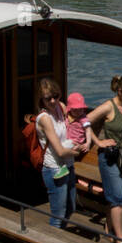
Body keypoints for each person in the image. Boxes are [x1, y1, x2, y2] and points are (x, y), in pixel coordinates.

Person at [88, 75, 122, 243]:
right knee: (118, 198)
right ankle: (120, 239)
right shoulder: (108, 107)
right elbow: (84, 121)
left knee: (117, 196)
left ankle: (109, 229)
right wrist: (98, 142)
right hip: (109, 159)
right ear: (120, 92)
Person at [35, 78, 77, 229]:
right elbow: (59, 150)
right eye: (48, 98)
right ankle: (54, 241)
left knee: (71, 207)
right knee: (58, 214)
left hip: (68, 165)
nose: (53, 101)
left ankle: (61, 234)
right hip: (55, 168)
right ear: (41, 99)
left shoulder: (61, 107)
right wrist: (76, 151)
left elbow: (76, 124)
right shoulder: (45, 119)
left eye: (56, 96)